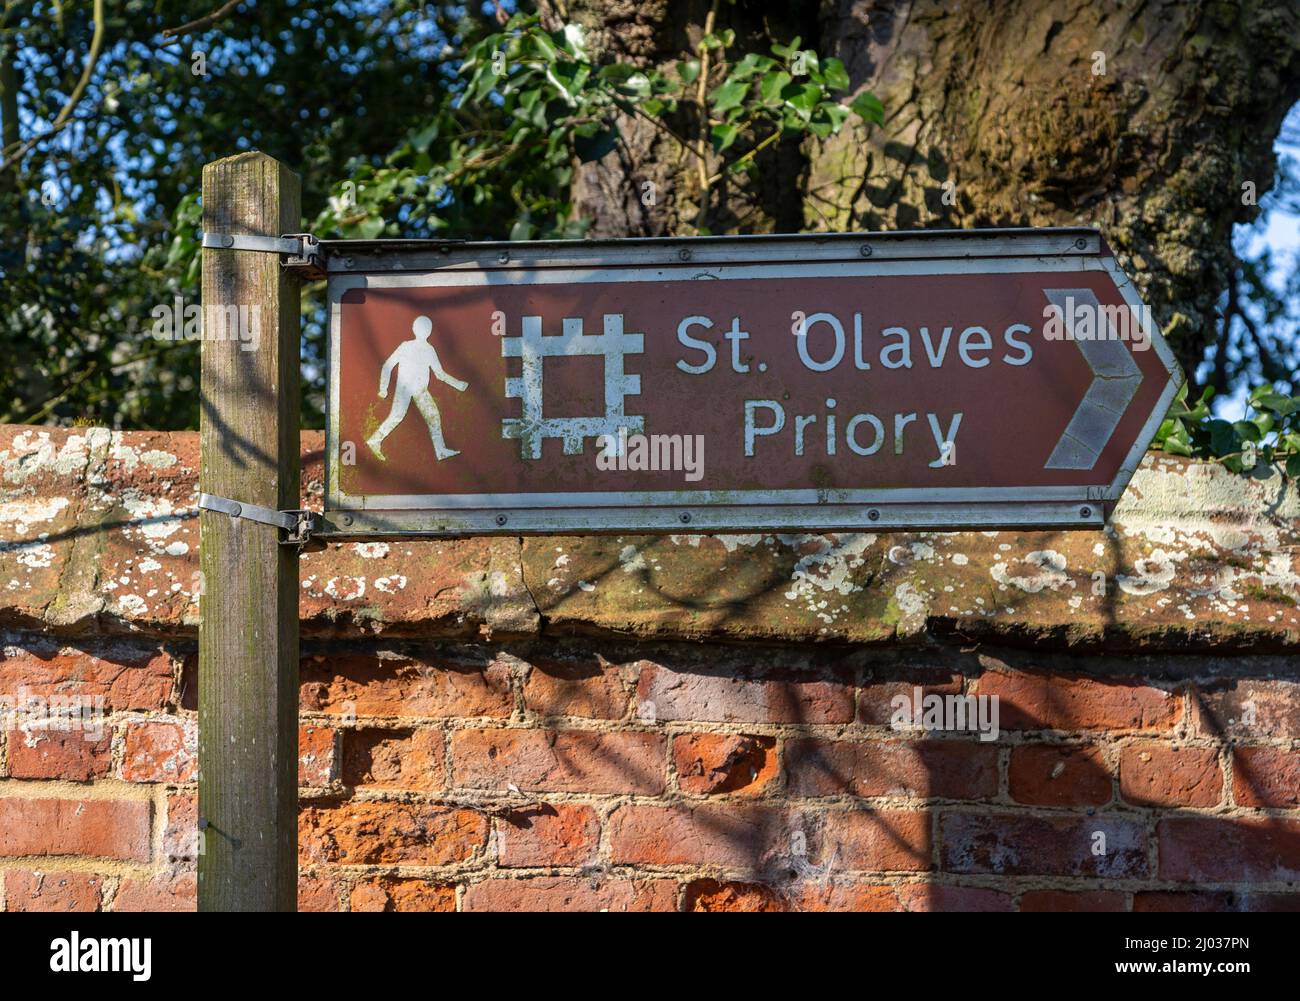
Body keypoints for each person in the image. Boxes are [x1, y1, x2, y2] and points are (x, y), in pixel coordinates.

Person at [367, 315, 468, 461]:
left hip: (420, 390)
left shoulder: (429, 349)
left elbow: (439, 374)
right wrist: (383, 388)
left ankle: (440, 450)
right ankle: (375, 440)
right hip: (405, 388)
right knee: (397, 416)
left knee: (432, 416)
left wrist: (459, 385)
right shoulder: (406, 346)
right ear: (415, 329)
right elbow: (388, 366)